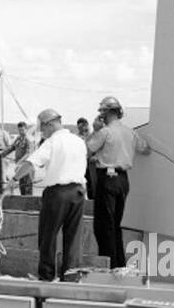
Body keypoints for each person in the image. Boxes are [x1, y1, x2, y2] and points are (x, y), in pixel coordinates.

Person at [13, 108, 87, 281]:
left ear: (50, 124)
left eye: (43, 128)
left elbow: (31, 163)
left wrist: (14, 180)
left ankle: (46, 275)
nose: (42, 132)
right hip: (78, 192)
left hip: (58, 193)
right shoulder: (78, 141)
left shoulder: (52, 142)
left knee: (48, 234)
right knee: (73, 236)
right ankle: (71, 276)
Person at [87, 96, 150, 269]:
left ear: (105, 114)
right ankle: (119, 264)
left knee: (103, 226)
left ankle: (109, 265)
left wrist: (95, 130)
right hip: (123, 180)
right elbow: (146, 149)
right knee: (115, 224)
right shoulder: (130, 132)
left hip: (107, 179)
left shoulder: (105, 132)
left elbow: (87, 148)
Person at [11, 121, 34, 196]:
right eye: (19, 130)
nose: (20, 131)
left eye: (22, 130)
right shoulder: (18, 138)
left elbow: (28, 153)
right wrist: (2, 154)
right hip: (20, 166)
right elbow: (12, 147)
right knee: (22, 186)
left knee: (27, 186)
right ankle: (23, 204)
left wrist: (19, 162)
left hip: (27, 166)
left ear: (26, 129)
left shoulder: (29, 139)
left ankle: (28, 205)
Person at [76, 118, 94, 198]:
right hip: (81, 162)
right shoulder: (77, 137)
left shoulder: (93, 136)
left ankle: (91, 199)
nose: (83, 128)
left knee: (91, 182)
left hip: (90, 163)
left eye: (85, 126)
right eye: (80, 127)